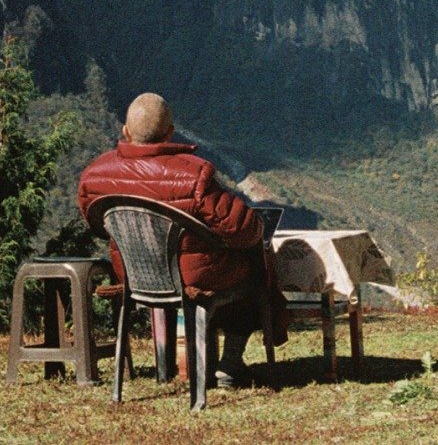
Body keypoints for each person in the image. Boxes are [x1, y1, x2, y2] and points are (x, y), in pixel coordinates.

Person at [77, 93, 287, 387]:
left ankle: (201, 363)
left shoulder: (94, 176)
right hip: (194, 278)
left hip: (134, 275)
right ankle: (230, 362)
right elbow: (245, 228)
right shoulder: (194, 174)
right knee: (254, 265)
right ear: (170, 132)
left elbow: (98, 224)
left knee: (233, 267)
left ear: (125, 131)